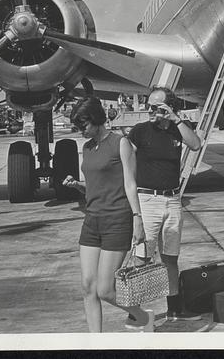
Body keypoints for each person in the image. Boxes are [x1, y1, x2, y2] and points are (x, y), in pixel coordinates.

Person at [63, 97, 153, 332]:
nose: (81, 130)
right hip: (92, 220)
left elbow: (130, 184)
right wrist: (78, 186)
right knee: (87, 287)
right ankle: (95, 343)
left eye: (84, 125)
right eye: (77, 126)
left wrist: (137, 219)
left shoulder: (120, 143)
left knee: (105, 290)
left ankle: (141, 316)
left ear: (96, 119)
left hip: (117, 220)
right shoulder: (87, 147)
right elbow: (98, 183)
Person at [128, 86, 202, 322]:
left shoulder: (178, 131)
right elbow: (125, 162)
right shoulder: (140, 132)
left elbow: (196, 144)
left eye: (158, 107)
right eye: (150, 106)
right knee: (143, 257)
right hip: (147, 199)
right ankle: (135, 312)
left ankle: (174, 309)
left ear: (170, 107)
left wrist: (176, 119)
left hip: (172, 200)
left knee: (170, 257)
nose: (152, 111)